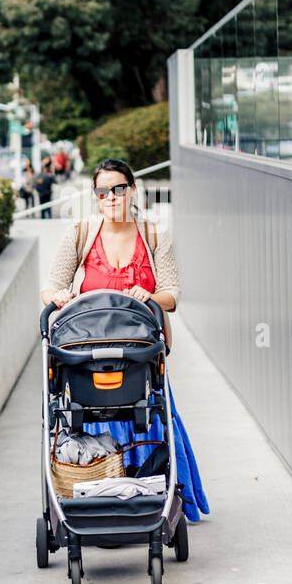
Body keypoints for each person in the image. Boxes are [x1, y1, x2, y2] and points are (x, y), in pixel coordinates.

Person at [40, 159, 208, 521]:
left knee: (158, 416)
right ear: (96, 196)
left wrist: (147, 297)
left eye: (119, 188)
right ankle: (104, 491)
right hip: (89, 357)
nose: (111, 197)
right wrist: (59, 298)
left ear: (131, 190)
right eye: (103, 191)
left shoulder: (153, 236)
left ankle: (161, 495)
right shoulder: (81, 234)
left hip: (140, 355)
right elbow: (50, 286)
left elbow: (172, 295)